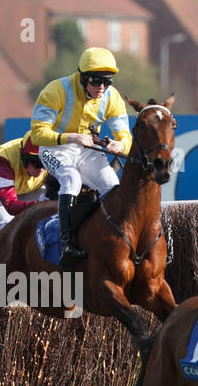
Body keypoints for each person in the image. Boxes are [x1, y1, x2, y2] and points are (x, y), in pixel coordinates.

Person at [29, 47, 131, 267]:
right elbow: (38, 135)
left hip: (87, 150)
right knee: (71, 179)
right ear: (83, 77)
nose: (101, 88)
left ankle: (108, 238)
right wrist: (72, 137)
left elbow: (125, 136)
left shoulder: (111, 97)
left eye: (107, 82)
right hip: (54, 149)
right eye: (95, 81)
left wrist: (120, 143)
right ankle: (67, 243)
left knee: (112, 185)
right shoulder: (56, 90)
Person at [0, 132, 47, 233]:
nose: (41, 169)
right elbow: (11, 206)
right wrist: (37, 204)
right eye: (37, 163)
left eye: (45, 162)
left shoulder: (55, 156)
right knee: (6, 225)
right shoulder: (4, 159)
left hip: (28, 190)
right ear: (24, 158)